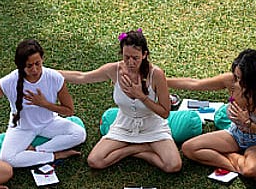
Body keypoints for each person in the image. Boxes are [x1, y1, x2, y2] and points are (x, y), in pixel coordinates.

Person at [59, 29, 181, 172]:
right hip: (124, 125)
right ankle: (138, 149)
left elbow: (165, 112)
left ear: (144, 55)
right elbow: (82, 77)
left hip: (153, 126)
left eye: (135, 58)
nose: (130, 62)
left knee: (173, 165)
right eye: (126, 57)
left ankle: (134, 148)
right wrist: (49, 72)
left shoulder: (156, 74)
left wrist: (141, 96)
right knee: (95, 161)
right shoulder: (114, 69)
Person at [0, 38, 85, 168]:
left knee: (79, 134)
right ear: (21, 65)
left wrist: (44, 103)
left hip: (49, 123)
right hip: (22, 128)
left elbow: (69, 110)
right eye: (29, 66)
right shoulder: (9, 81)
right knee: (6, 159)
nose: (35, 69)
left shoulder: (54, 78)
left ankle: (38, 150)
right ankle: (54, 155)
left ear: (42, 60)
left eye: (38, 63)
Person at [169, 48, 256, 181]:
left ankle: (236, 160)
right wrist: (161, 80)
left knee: (250, 170)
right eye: (236, 77)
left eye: (241, 79)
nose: (237, 82)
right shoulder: (230, 81)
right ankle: (236, 162)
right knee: (189, 148)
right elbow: (194, 84)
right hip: (236, 134)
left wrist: (249, 123)